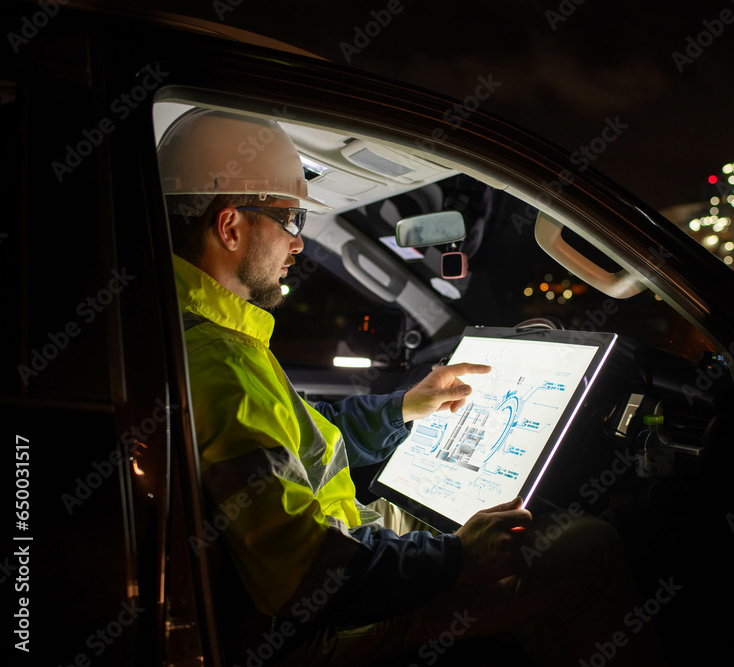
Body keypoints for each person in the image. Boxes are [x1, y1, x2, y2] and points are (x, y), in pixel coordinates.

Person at [159, 108, 664, 666]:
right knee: (587, 548)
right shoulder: (217, 366)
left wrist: (405, 407)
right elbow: (305, 575)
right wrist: (456, 560)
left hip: (338, 548)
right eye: (291, 219)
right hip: (319, 630)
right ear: (230, 226)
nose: (297, 244)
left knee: (494, 512)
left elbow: (300, 443)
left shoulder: (215, 338)